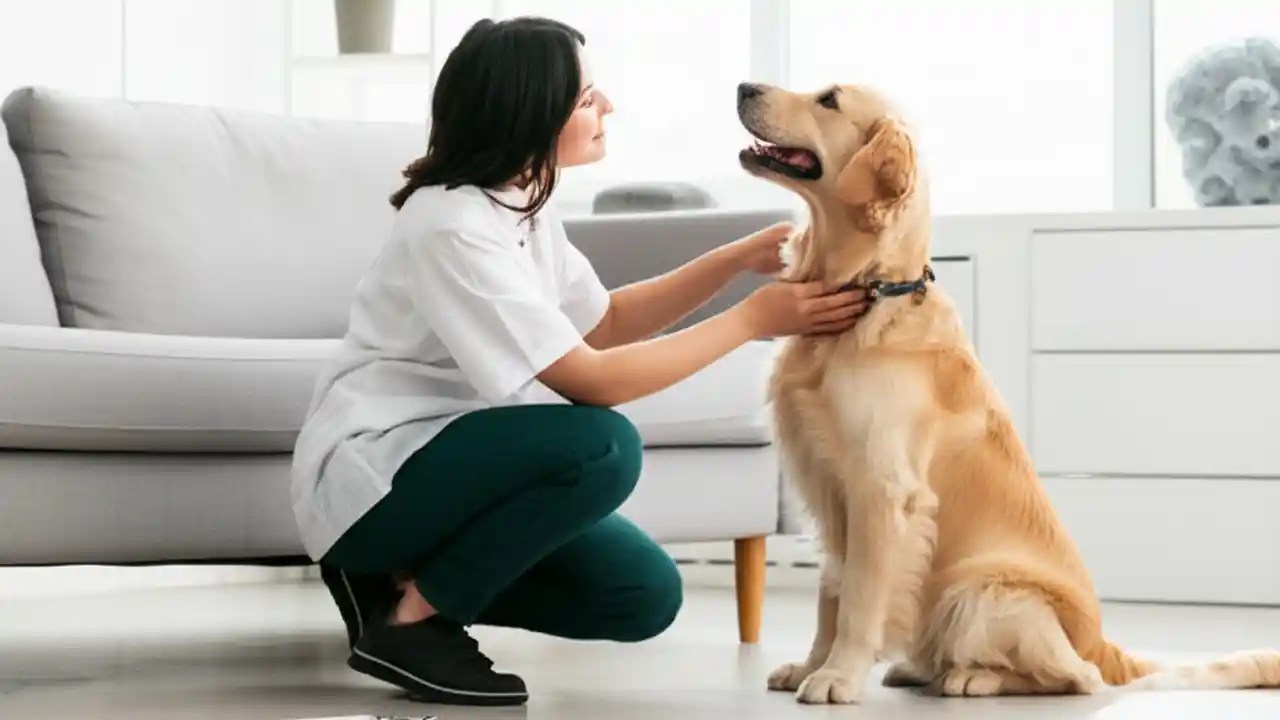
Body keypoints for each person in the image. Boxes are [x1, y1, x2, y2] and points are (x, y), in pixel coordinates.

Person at [290, 15, 870, 708]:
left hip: (454, 467)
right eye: (587, 97)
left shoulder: (523, 200)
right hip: (375, 475)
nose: (608, 108)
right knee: (601, 445)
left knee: (642, 595)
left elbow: (604, 322)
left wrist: (733, 261)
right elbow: (592, 379)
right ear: (528, 112)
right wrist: (753, 319)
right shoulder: (451, 225)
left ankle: (399, 581)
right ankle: (413, 619)